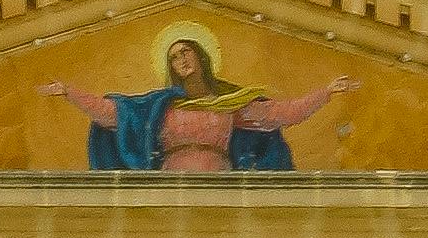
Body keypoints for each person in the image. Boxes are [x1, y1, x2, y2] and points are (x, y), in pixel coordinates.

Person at [44, 26, 353, 172]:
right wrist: (70, 93)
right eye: (174, 57)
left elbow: (281, 114)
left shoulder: (229, 104)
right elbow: (114, 113)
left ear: (201, 56)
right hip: (172, 186)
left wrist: (326, 93)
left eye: (186, 52)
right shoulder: (161, 107)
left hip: (222, 183)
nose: (182, 60)